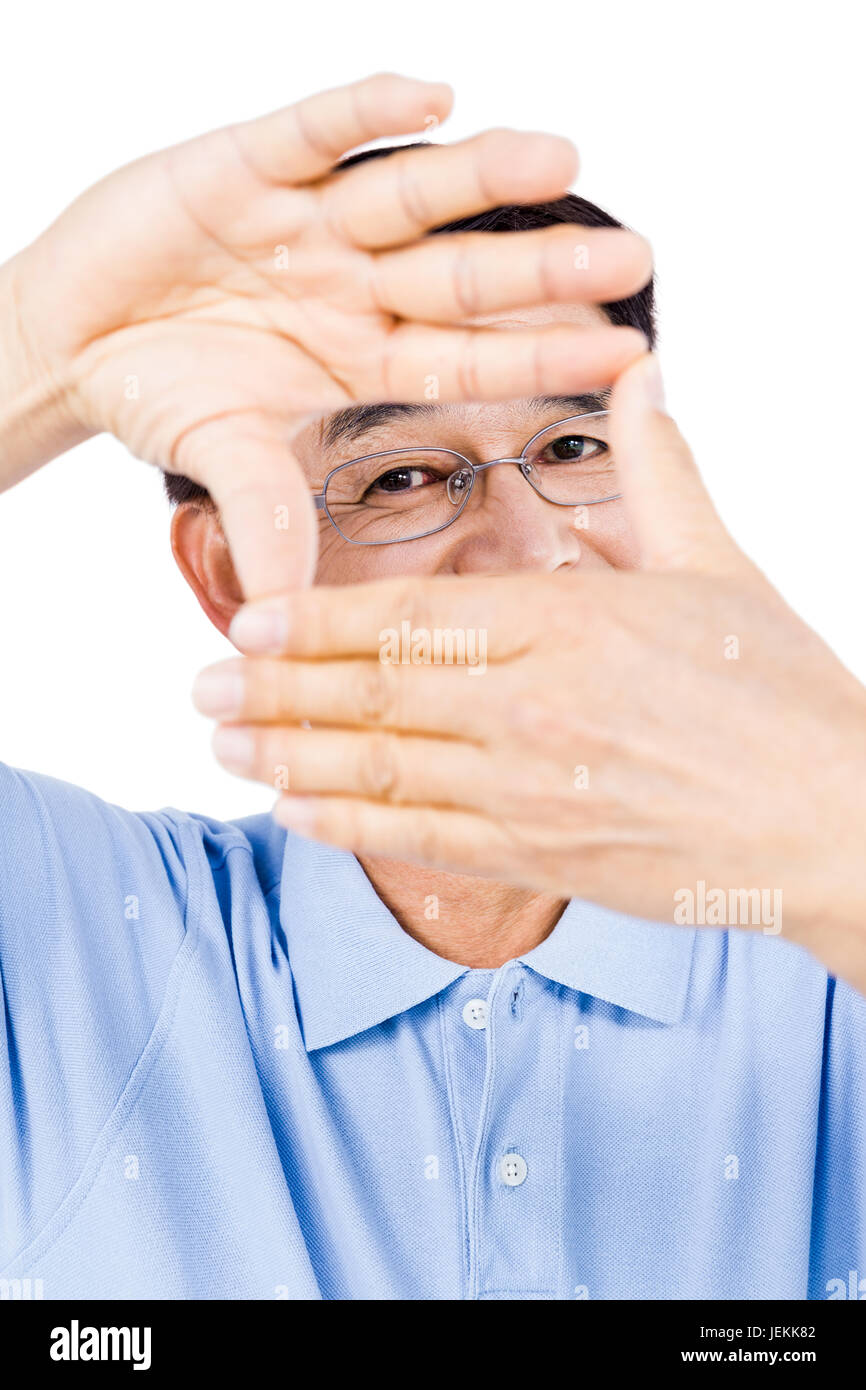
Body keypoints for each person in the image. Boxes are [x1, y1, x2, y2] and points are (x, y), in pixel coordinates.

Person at [1, 73, 863, 1302]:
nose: (527, 551)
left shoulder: (830, 957)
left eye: (573, 449)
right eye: (404, 474)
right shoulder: (66, 948)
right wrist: (31, 351)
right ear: (233, 569)